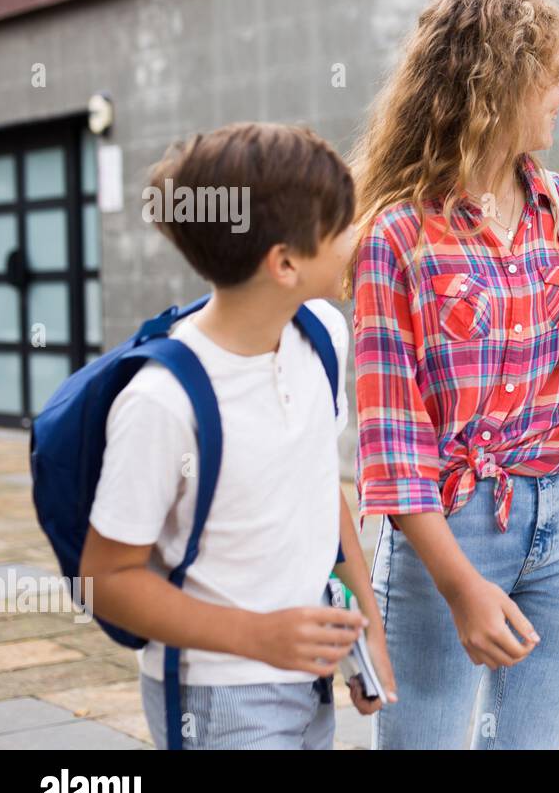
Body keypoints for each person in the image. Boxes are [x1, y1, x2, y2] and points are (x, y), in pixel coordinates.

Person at [348, 0, 559, 749]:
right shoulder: (396, 236)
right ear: (498, 83)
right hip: (451, 528)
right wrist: (461, 585)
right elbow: (391, 446)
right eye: (552, 75)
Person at [82, 122, 396, 750]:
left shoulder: (321, 337)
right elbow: (107, 580)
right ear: (284, 263)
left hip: (307, 678)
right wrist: (261, 638)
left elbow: (319, 489)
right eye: (340, 227)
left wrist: (369, 635)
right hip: (216, 697)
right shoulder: (163, 401)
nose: (357, 238)